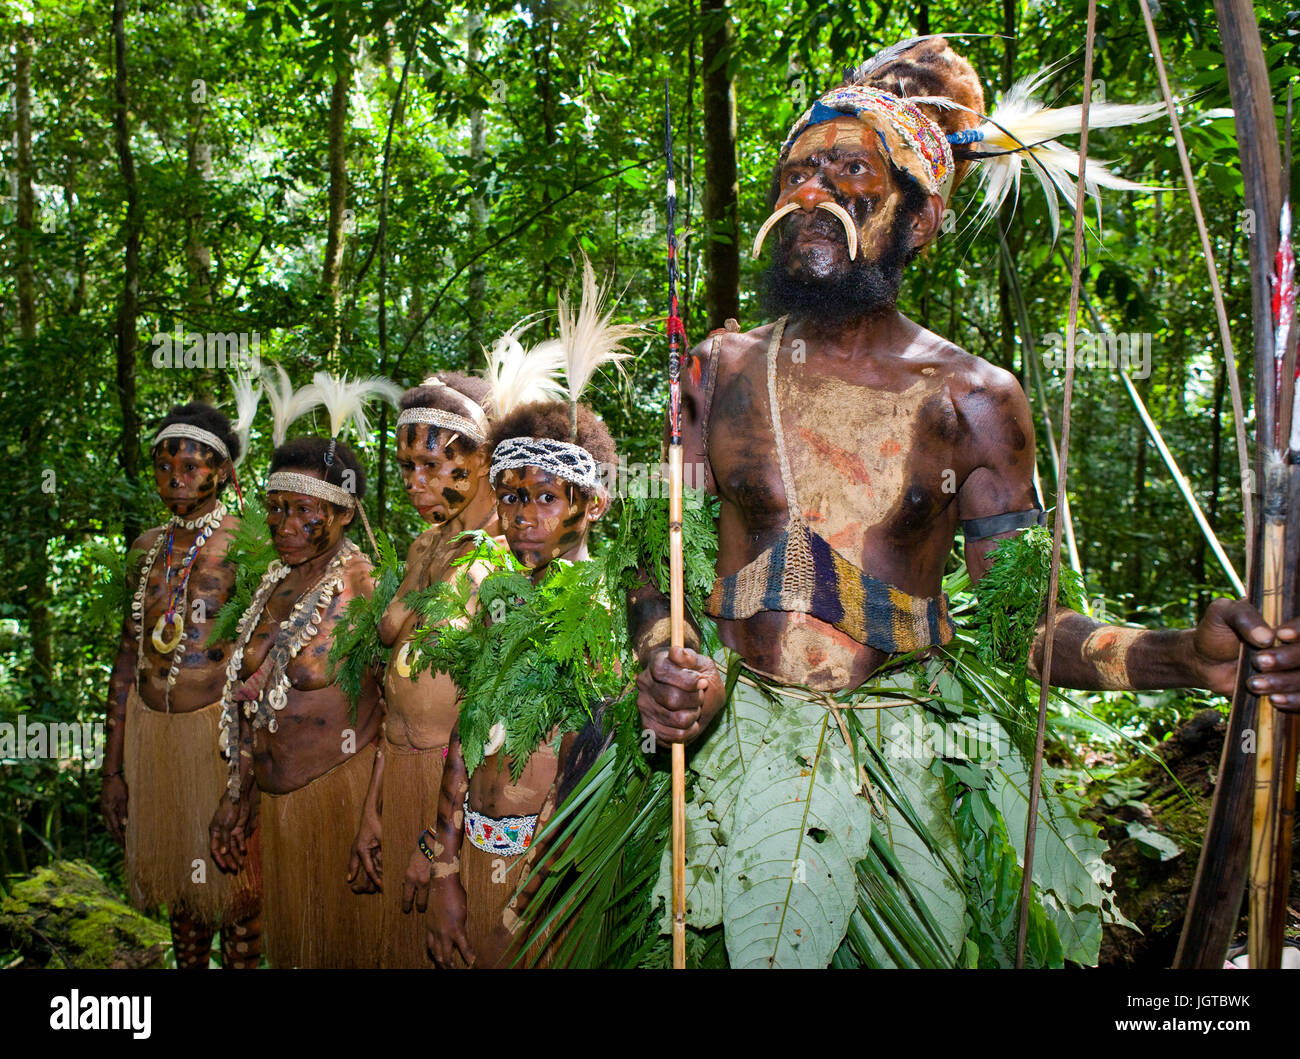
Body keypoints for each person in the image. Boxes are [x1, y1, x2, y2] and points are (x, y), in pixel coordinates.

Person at [629, 37, 1300, 964]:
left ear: (921, 219)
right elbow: (652, 571)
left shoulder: (977, 400)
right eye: (797, 169)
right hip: (722, 760)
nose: (812, 188)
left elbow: (1033, 627)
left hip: (905, 768)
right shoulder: (719, 368)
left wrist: (1184, 655)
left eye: (850, 167)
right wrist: (665, 660)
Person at [210, 374, 394, 967]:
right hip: (278, 806)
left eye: (304, 512)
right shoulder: (276, 582)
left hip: (337, 801)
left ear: (342, 514)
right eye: (276, 509)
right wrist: (239, 796)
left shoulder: (365, 588)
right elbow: (248, 703)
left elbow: (397, 711)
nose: (284, 525)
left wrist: (373, 816)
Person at [346, 374, 504, 968]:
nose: (414, 484)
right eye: (406, 467)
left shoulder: (510, 556)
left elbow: (484, 722)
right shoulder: (424, 548)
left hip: (461, 801)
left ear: (484, 461)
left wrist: (437, 850)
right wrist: (373, 810)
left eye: (432, 466)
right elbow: (394, 688)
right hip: (401, 772)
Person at [101, 401, 262, 969]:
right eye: (165, 468)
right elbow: (126, 661)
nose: (176, 479)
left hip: (216, 741)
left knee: (238, 891)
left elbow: (259, 667)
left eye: (191, 468)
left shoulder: (249, 544)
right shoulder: (146, 550)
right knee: (181, 889)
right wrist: (114, 769)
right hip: (154, 741)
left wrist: (243, 773)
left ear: (221, 472)